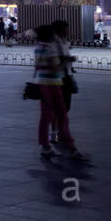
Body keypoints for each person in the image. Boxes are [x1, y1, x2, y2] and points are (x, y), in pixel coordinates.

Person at [33, 24, 88, 161]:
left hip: (41, 83)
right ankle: (70, 147)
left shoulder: (38, 47)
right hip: (53, 84)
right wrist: (65, 63)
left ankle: (45, 146)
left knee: (45, 117)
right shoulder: (50, 48)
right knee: (62, 115)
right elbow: (55, 69)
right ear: (48, 35)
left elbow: (37, 68)